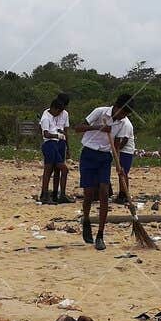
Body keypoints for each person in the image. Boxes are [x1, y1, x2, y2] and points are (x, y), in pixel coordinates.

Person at [76, 92, 133, 251]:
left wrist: (119, 166)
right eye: (121, 113)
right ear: (116, 107)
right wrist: (99, 128)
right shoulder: (100, 112)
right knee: (89, 193)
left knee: (104, 191)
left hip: (105, 158)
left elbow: (116, 146)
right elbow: (78, 128)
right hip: (88, 154)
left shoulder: (123, 123)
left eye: (125, 115)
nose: (122, 117)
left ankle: (100, 234)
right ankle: (86, 219)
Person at [38, 92, 71, 204]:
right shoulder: (47, 116)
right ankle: (45, 195)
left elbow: (64, 130)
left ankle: (57, 194)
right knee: (50, 169)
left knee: (57, 169)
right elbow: (45, 133)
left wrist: (67, 145)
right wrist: (56, 135)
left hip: (58, 142)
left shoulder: (61, 114)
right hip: (50, 143)